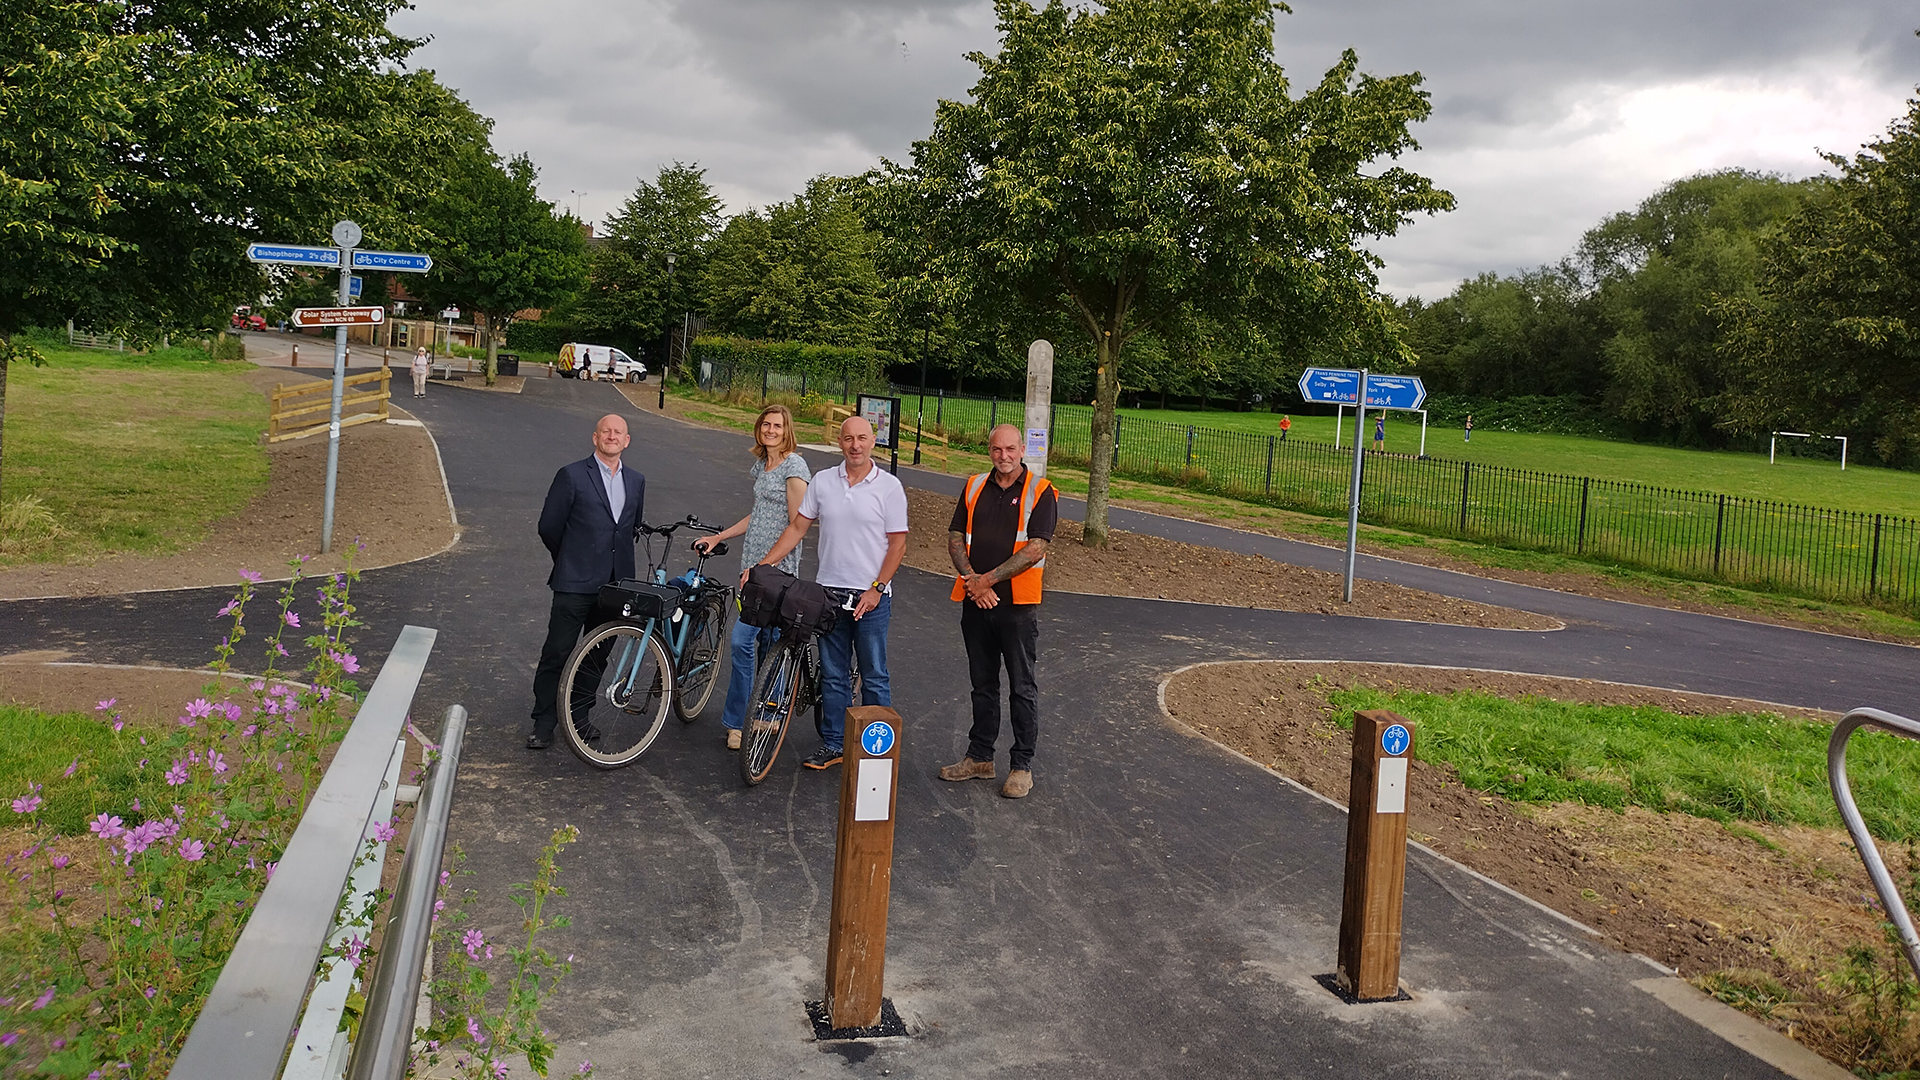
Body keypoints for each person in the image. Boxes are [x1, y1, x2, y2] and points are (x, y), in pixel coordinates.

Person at [758, 416, 907, 770]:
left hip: (871, 596)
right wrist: (765, 565)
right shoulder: (823, 481)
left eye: (862, 439)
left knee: (874, 674)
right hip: (829, 593)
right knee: (835, 673)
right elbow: (798, 527)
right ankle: (834, 743)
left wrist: (877, 588)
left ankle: (876, 748)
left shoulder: (889, 487)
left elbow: (898, 545)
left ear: (873, 442)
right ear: (839, 442)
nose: (855, 445)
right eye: (848, 439)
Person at [938, 424, 1058, 799]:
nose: (1003, 456)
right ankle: (980, 757)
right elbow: (955, 536)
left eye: (1010, 449)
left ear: (1022, 449)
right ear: (988, 450)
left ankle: (1022, 765)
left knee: (1022, 687)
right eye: (996, 449)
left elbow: (1036, 548)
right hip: (976, 603)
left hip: (1017, 607)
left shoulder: (1041, 491)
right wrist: (974, 581)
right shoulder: (974, 486)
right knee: (982, 684)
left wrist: (985, 580)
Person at [694, 404, 811, 750]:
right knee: (763, 641)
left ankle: (741, 721)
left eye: (777, 425)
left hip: (775, 572)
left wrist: (766, 566)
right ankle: (762, 715)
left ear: (787, 430)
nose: (770, 430)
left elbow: (797, 524)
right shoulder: (763, 464)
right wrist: (720, 536)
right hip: (752, 567)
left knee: (746, 641)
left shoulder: (794, 466)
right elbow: (758, 514)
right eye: (765, 424)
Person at [527, 414, 646, 750]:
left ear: (626, 441)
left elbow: (629, 528)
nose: (612, 436)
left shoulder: (636, 481)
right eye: (606, 431)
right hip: (574, 582)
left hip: (615, 586)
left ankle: (579, 715)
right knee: (558, 652)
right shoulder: (572, 475)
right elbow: (548, 526)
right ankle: (545, 721)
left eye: (618, 432)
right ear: (595, 438)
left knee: (597, 655)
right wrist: (568, 560)